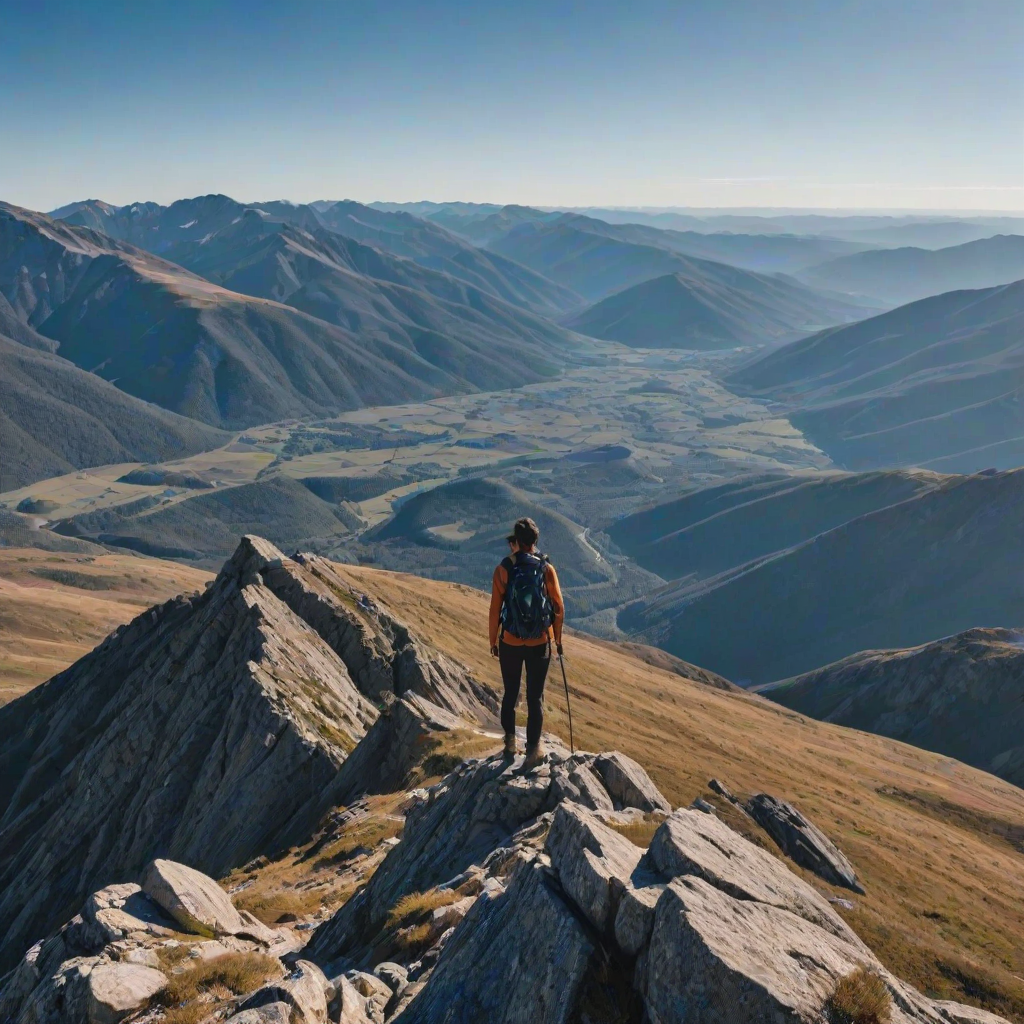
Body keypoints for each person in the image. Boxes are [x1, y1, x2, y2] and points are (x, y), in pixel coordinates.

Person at [488, 516, 564, 767]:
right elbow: (558, 607)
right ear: (535, 541)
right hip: (539, 643)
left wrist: (493, 641)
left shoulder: (504, 569)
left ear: (516, 541)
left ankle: (509, 745)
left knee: (510, 693)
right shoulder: (546, 568)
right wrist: (558, 639)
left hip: (510, 641)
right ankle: (533, 751)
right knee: (535, 697)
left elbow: (495, 609)